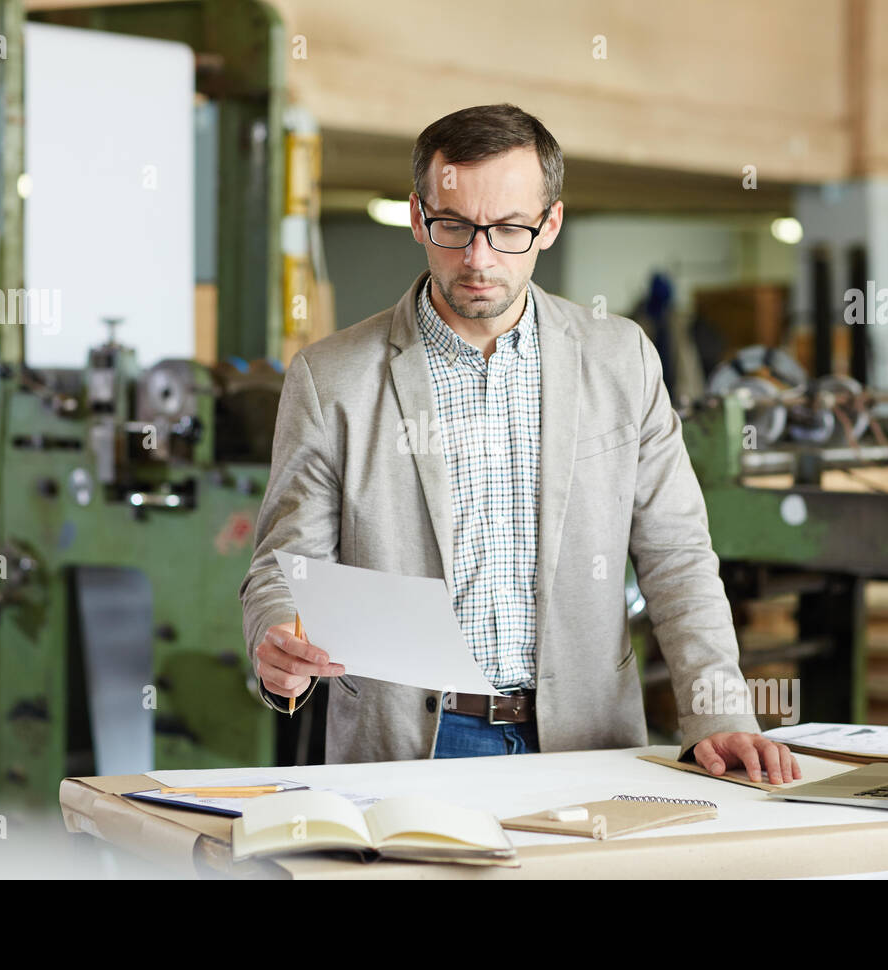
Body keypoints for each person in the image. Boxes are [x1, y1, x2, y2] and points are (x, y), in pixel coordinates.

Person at [240, 103, 799, 783]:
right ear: (418, 217)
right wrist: (279, 640)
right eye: (453, 227)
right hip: (410, 749)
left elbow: (676, 554)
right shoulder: (333, 379)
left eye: (508, 229)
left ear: (550, 224)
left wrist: (721, 713)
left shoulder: (621, 360)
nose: (479, 259)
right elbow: (283, 565)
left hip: (590, 741)